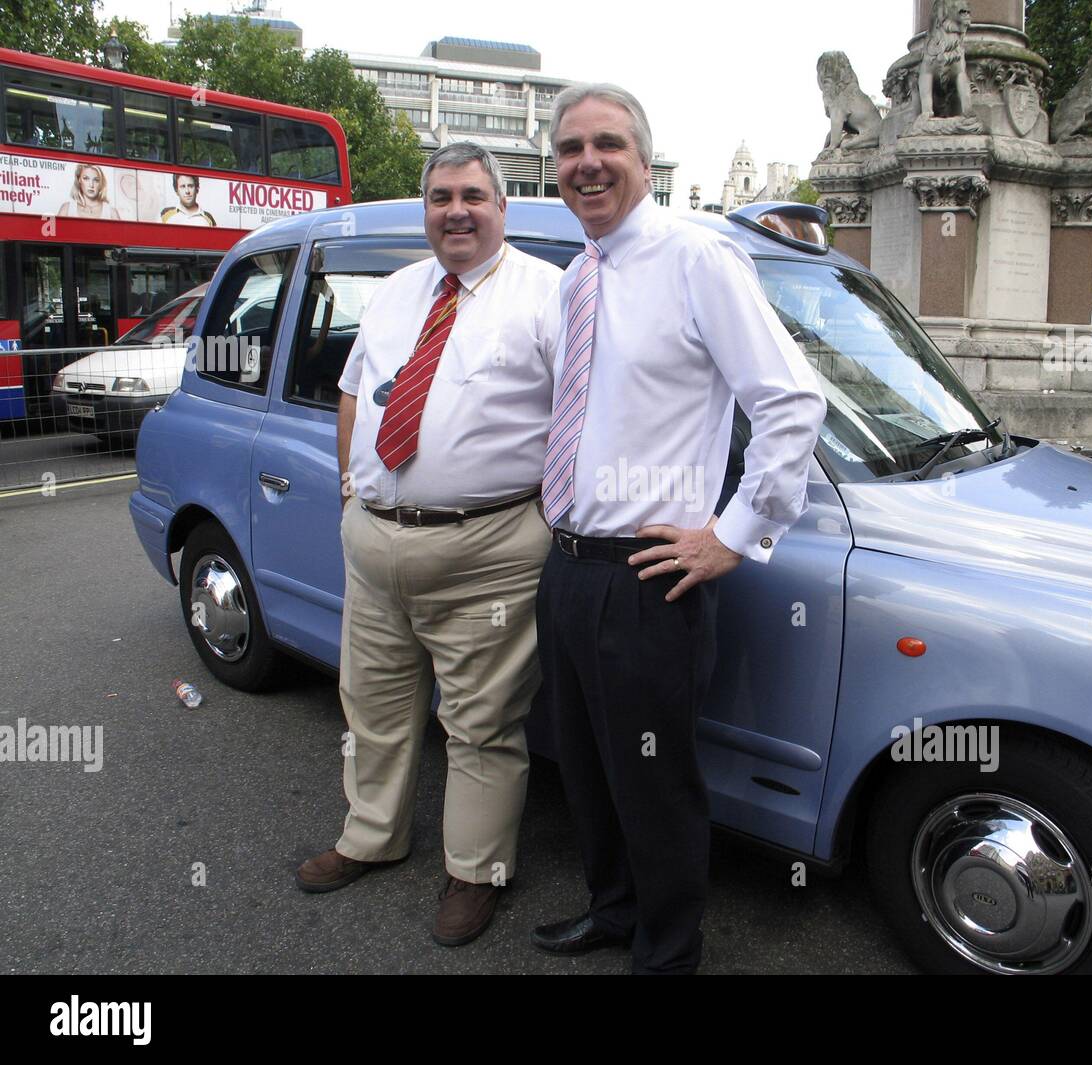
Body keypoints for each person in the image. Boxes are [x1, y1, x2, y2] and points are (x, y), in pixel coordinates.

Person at [529, 83, 826, 975]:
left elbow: (791, 402)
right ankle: (614, 910)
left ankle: (667, 952)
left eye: (607, 144)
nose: (588, 161)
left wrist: (734, 535)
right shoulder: (576, 279)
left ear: (644, 163)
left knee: (655, 783)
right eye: (571, 146)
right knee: (585, 770)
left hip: (651, 581)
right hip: (571, 568)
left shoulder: (698, 260)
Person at [296, 143, 562, 949]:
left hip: (490, 551)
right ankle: (371, 835)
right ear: (424, 207)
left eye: (474, 195)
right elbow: (353, 390)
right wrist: (352, 487)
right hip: (376, 543)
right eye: (441, 195)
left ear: (502, 207)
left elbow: (589, 415)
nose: (457, 210)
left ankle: (476, 871)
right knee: (372, 707)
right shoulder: (396, 291)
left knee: (482, 723)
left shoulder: (551, 296)